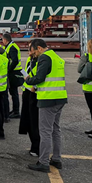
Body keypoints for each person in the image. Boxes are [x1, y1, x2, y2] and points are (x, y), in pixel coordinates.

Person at [23, 38, 67, 172]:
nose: (33, 54)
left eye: (34, 51)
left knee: (45, 132)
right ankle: (57, 159)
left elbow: (39, 78)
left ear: (39, 48)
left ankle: (43, 162)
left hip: (48, 99)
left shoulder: (45, 58)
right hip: (60, 98)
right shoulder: (56, 57)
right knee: (55, 130)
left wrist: (28, 80)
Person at [18, 39, 41, 158]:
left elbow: (38, 76)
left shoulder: (39, 61)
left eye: (30, 49)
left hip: (33, 93)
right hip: (27, 92)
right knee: (28, 120)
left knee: (34, 122)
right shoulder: (31, 60)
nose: (28, 52)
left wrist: (34, 86)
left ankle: (36, 147)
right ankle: (34, 144)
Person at [2, 33, 22, 118]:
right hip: (14, 72)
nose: (2, 42)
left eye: (2, 40)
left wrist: (8, 70)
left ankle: (16, 111)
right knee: (13, 92)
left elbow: (15, 61)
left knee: (14, 93)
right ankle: (14, 110)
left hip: (14, 73)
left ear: (5, 40)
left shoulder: (12, 47)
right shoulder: (10, 46)